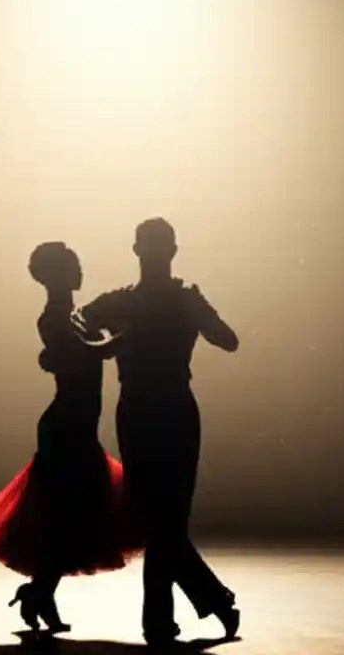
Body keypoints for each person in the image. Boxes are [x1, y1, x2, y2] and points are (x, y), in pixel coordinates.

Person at [0, 242, 142, 632]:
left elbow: (88, 348)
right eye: (72, 267)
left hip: (76, 425)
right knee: (66, 516)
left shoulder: (73, 315)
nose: (79, 272)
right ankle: (39, 594)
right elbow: (89, 353)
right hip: (66, 428)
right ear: (56, 275)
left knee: (71, 517)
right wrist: (126, 335)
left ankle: (39, 594)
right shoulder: (54, 317)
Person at [78, 218, 241, 646]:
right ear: (169, 250)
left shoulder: (137, 301)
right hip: (156, 411)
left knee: (162, 520)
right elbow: (80, 322)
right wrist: (109, 341)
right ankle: (198, 605)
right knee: (161, 519)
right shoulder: (136, 300)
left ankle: (174, 616)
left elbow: (228, 340)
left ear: (143, 250)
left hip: (155, 411)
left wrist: (112, 339)